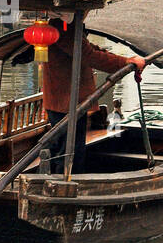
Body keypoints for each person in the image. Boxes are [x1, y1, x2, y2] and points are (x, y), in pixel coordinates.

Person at [42, 22, 146, 175]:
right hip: (66, 102)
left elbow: (91, 50)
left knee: (70, 147)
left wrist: (125, 60)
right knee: (69, 150)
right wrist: (124, 62)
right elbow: (89, 55)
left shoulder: (69, 28)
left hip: (71, 100)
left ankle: (68, 180)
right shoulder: (62, 28)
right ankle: (64, 185)